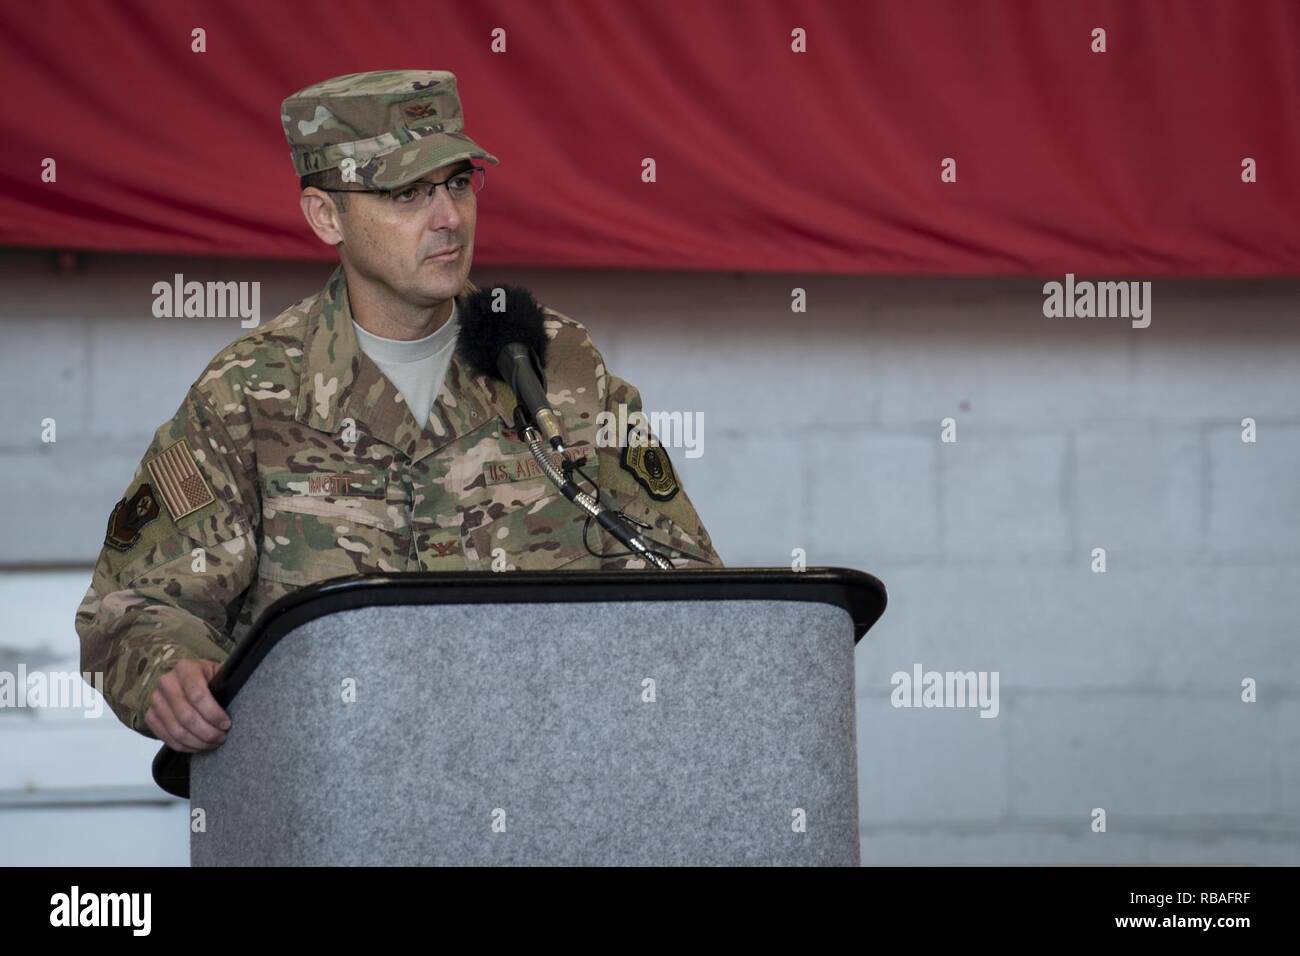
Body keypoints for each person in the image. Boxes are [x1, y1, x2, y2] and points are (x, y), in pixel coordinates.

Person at [76, 69, 722, 755]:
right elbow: (133, 608)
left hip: (550, 779)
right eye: (407, 192)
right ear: (327, 216)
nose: (448, 218)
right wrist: (169, 671)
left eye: (458, 182)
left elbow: (682, 576)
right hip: (337, 797)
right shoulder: (250, 393)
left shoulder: (551, 361)